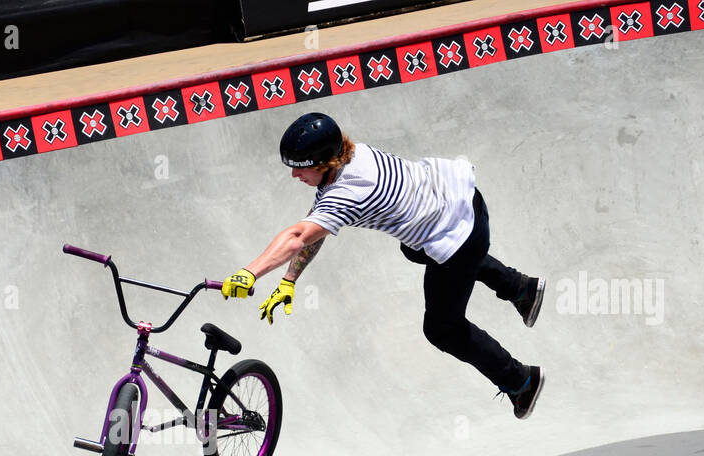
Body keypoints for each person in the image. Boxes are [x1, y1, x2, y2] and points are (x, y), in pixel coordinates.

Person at [221, 112, 546, 419]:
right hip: (465, 198)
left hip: (462, 240)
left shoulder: (348, 194)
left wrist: (250, 272)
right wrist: (290, 278)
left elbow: (297, 236)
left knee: (441, 330)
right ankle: (520, 288)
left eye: (299, 168)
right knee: (413, 250)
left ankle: (521, 382)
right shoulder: (353, 154)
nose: (294, 175)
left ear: (323, 163)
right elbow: (316, 226)